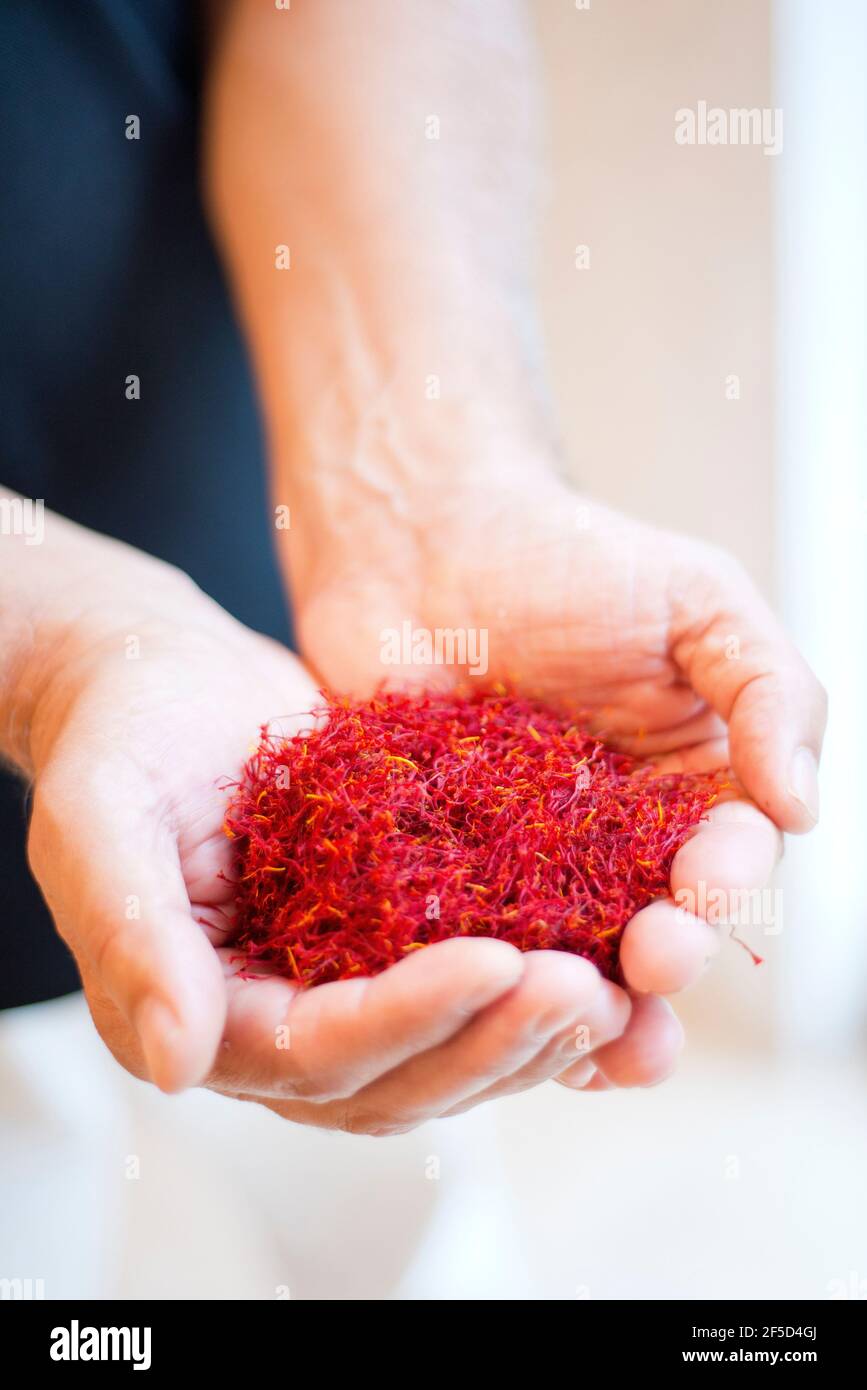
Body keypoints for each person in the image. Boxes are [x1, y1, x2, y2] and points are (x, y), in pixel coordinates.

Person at [0, 0, 825, 1136]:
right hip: (144, 723)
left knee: (399, 1218)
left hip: (264, 626)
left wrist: (442, 475)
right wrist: (50, 642)